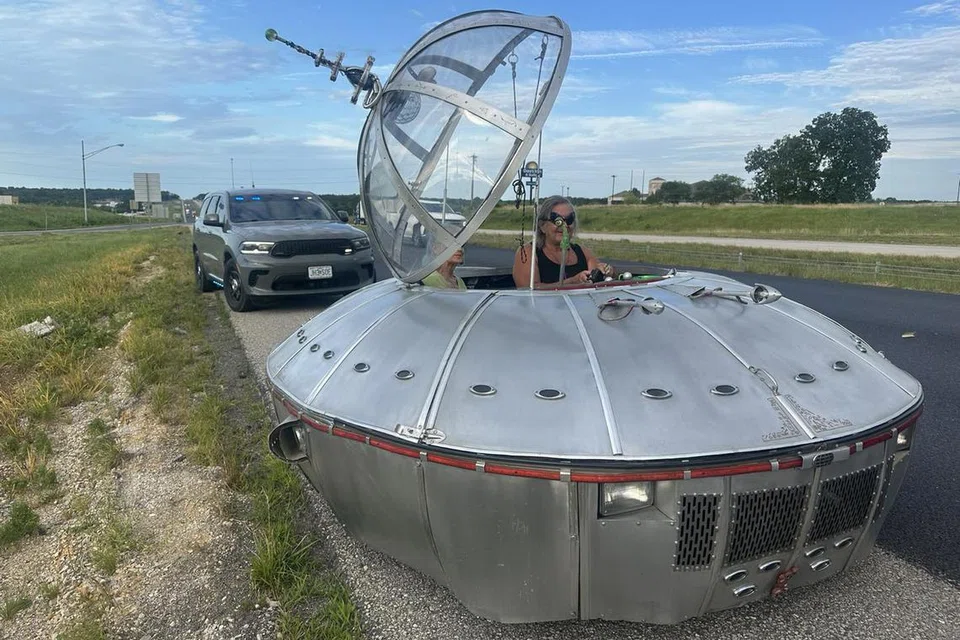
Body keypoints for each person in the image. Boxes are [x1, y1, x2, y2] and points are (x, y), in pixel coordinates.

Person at [512, 195, 614, 288]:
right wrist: (572, 282)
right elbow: (528, 290)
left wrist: (605, 271)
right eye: (557, 220)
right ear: (542, 226)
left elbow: (596, 281)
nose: (564, 226)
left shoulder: (584, 252)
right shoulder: (528, 252)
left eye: (569, 219)